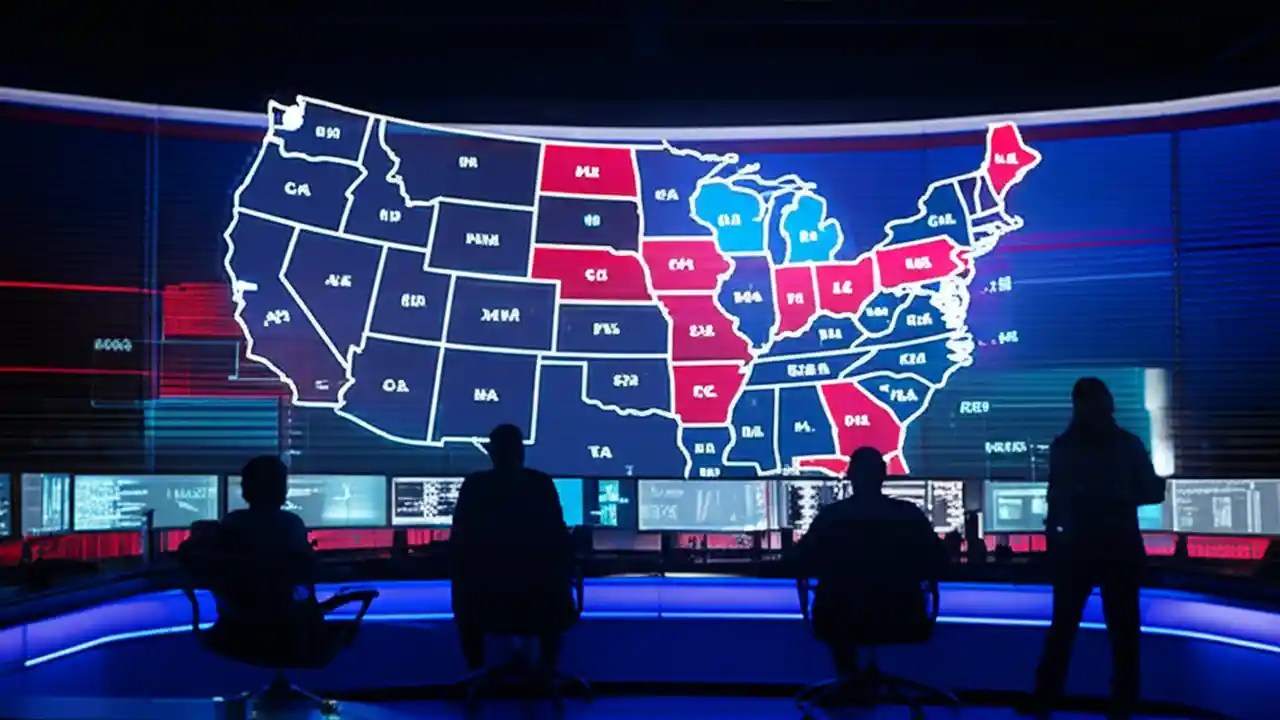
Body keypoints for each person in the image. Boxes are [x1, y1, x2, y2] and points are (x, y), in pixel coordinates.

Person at [1029, 377, 1166, 718]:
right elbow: (1151, 491)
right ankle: (1122, 707)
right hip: (1118, 549)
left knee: (1063, 631)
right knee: (1123, 637)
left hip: (1076, 552)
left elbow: (1055, 502)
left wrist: (1053, 546)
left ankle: (1045, 701)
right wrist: (1119, 497)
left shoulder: (1065, 446)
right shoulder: (1128, 445)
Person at [789, 446, 947, 678]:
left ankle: (849, 685)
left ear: (849, 475)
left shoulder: (832, 517)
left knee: (842, 610)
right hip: (903, 616)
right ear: (883, 474)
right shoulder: (909, 515)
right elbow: (939, 561)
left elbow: (798, 560)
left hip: (838, 618)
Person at [451, 424, 575, 676]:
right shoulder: (541, 484)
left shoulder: (474, 486)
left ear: (491, 453)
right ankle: (547, 671)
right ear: (521, 452)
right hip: (541, 605)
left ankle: (475, 675)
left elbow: (459, 542)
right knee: (551, 600)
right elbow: (560, 540)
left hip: (483, 605)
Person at [178, 456, 327, 653]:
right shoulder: (291, 525)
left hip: (234, 632)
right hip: (288, 635)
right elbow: (306, 571)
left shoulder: (230, 524)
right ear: (282, 490)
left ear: (245, 488)